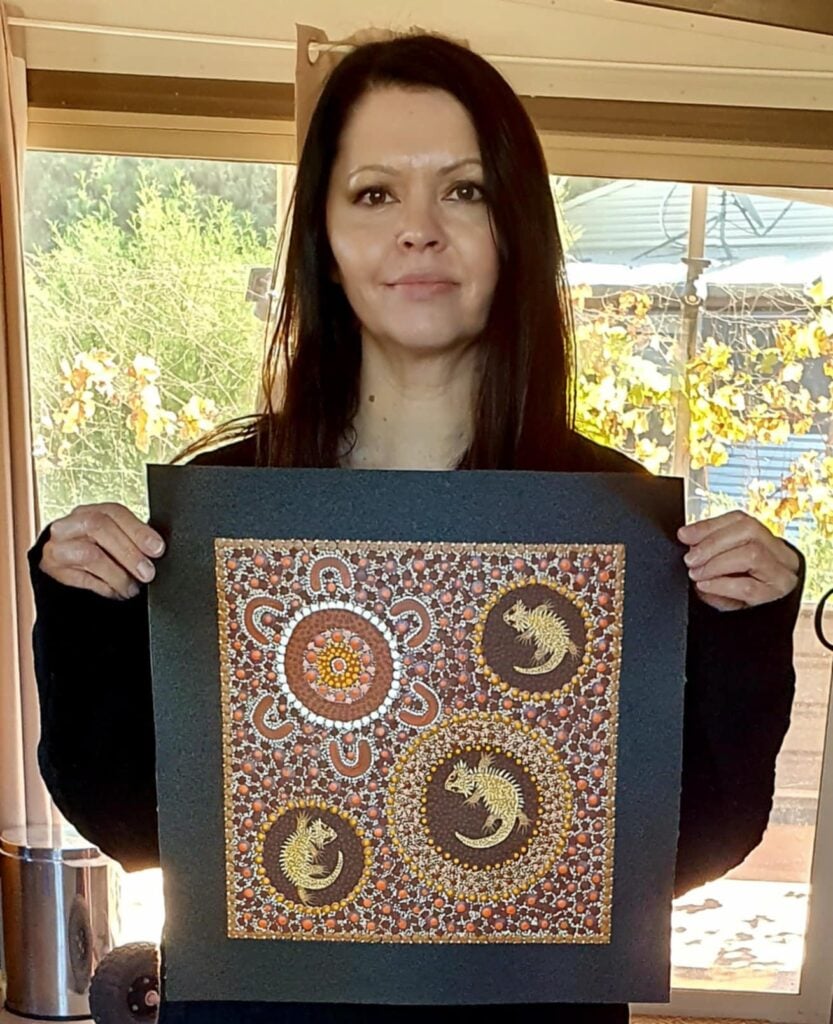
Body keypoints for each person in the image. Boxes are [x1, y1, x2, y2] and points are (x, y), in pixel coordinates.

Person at [28, 32, 803, 1024]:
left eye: (464, 190)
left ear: (514, 229)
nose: (419, 231)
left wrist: (743, 625)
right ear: (324, 239)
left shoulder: (610, 526)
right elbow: (134, 822)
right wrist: (83, 605)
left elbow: (689, 845)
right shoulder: (227, 514)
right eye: (373, 193)